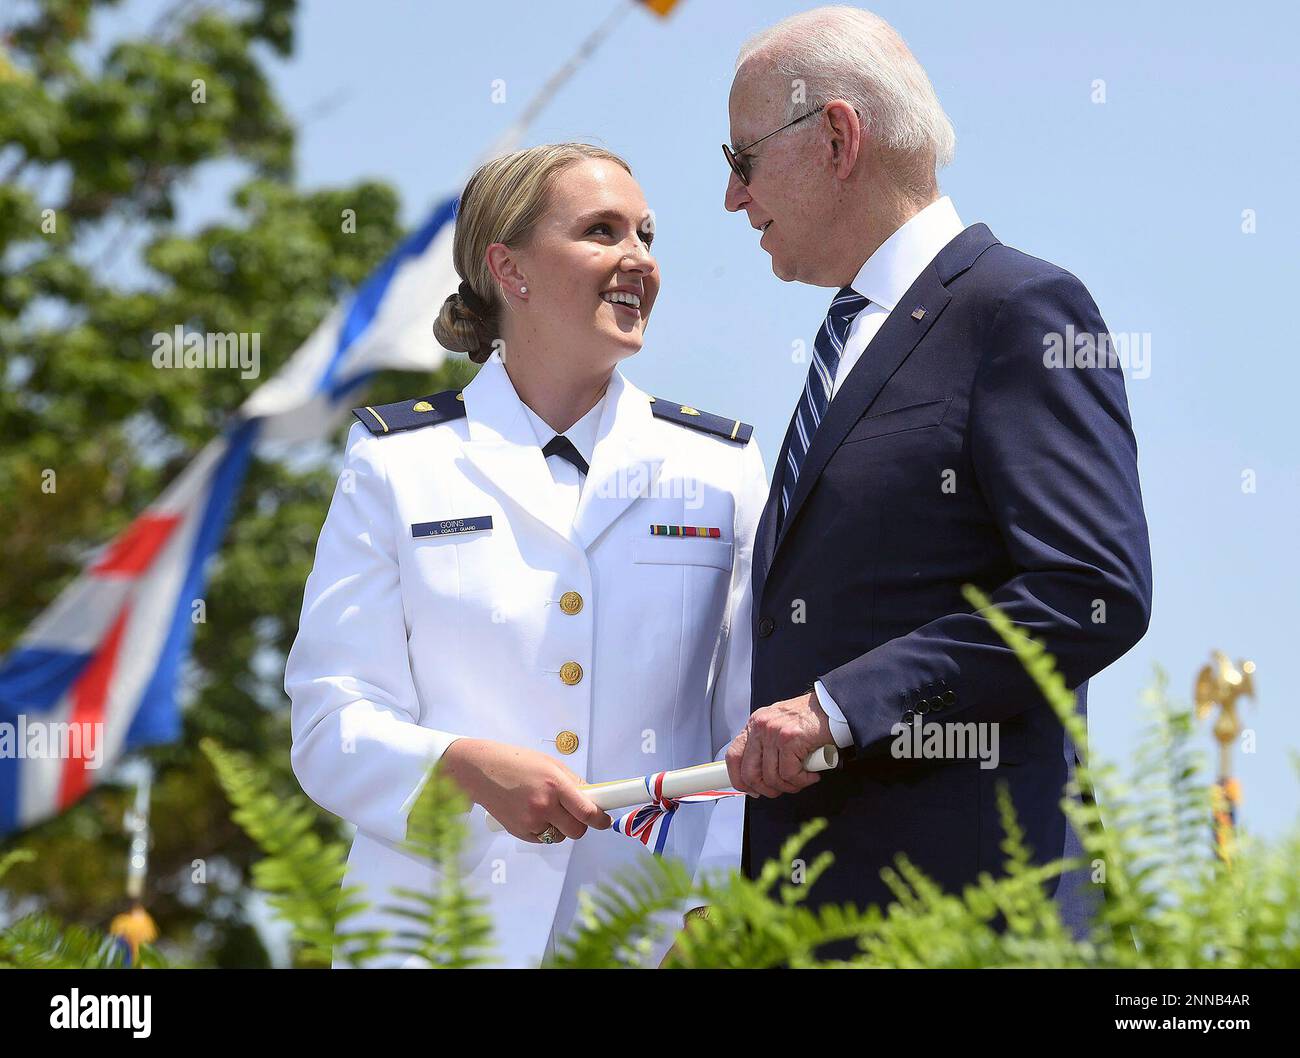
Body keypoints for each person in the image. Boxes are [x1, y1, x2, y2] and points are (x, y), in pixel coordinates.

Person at [718, 7, 1152, 945]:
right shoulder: (854, 336)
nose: (732, 198)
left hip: (967, 916)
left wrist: (842, 708)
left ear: (836, 136)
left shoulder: (1018, 309)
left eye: (741, 159)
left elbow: (1090, 589)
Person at [284, 143, 767, 967]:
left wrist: (711, 915)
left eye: (646, 235)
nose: (638, 260)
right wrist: (461, 767)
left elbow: (749, 729)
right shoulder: (399, 462)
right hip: (434, 940)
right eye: (602, 231)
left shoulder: (719, 467)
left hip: (649, 940)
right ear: (509, 269)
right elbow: (332, 720)